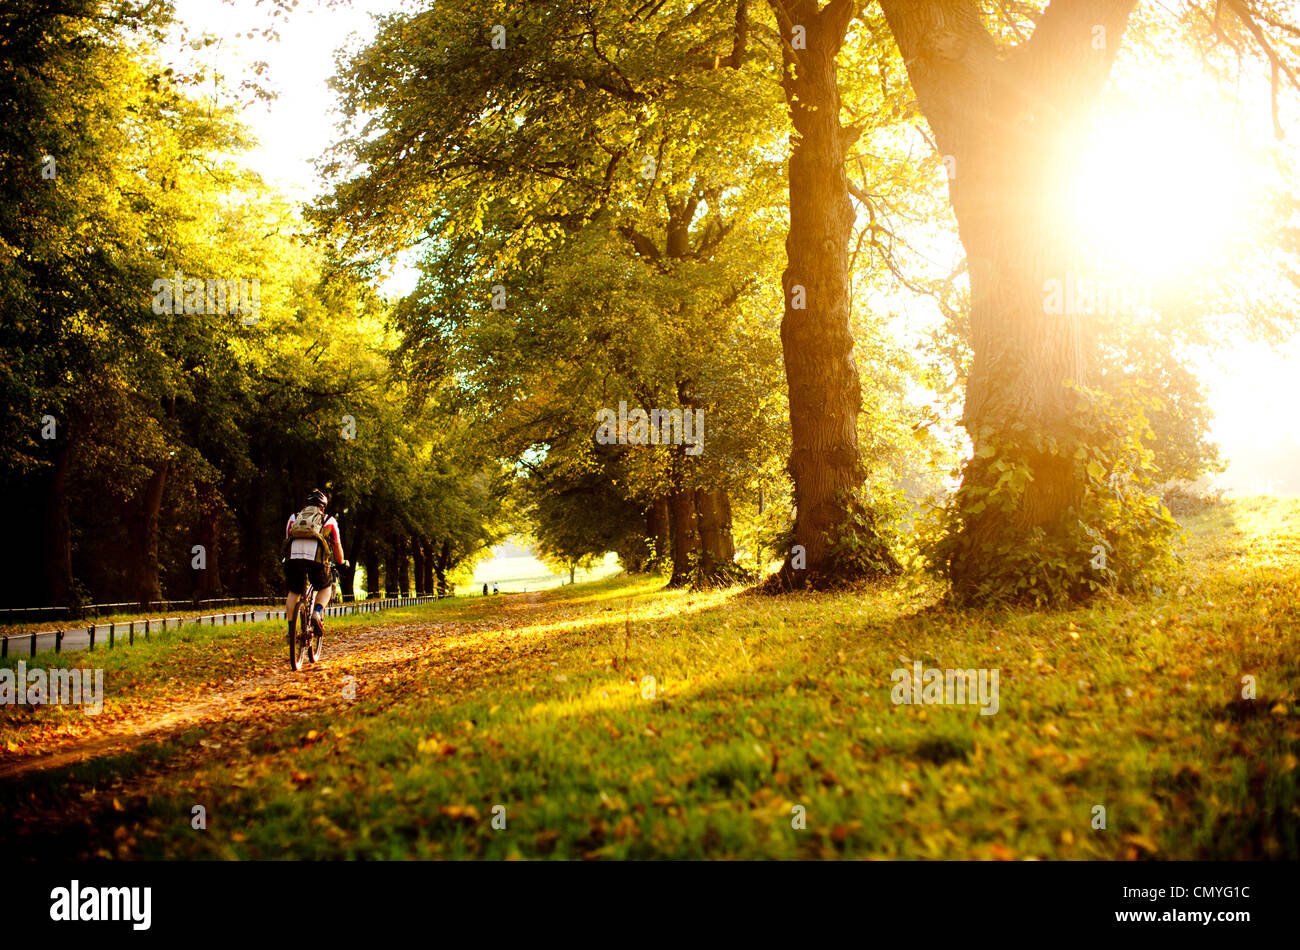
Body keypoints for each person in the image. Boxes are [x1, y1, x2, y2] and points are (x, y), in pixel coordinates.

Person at [284, 489, 345, 638]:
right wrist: (342, 562)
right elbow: (336, 546)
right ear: (323, 507)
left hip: (293, 559)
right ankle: (317, 613)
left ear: (306, 505)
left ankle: (291, 631)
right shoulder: (328, 520)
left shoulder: (294, 517)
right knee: (326, 587)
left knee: (294, 592)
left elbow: (287, 539)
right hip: (315, 561)